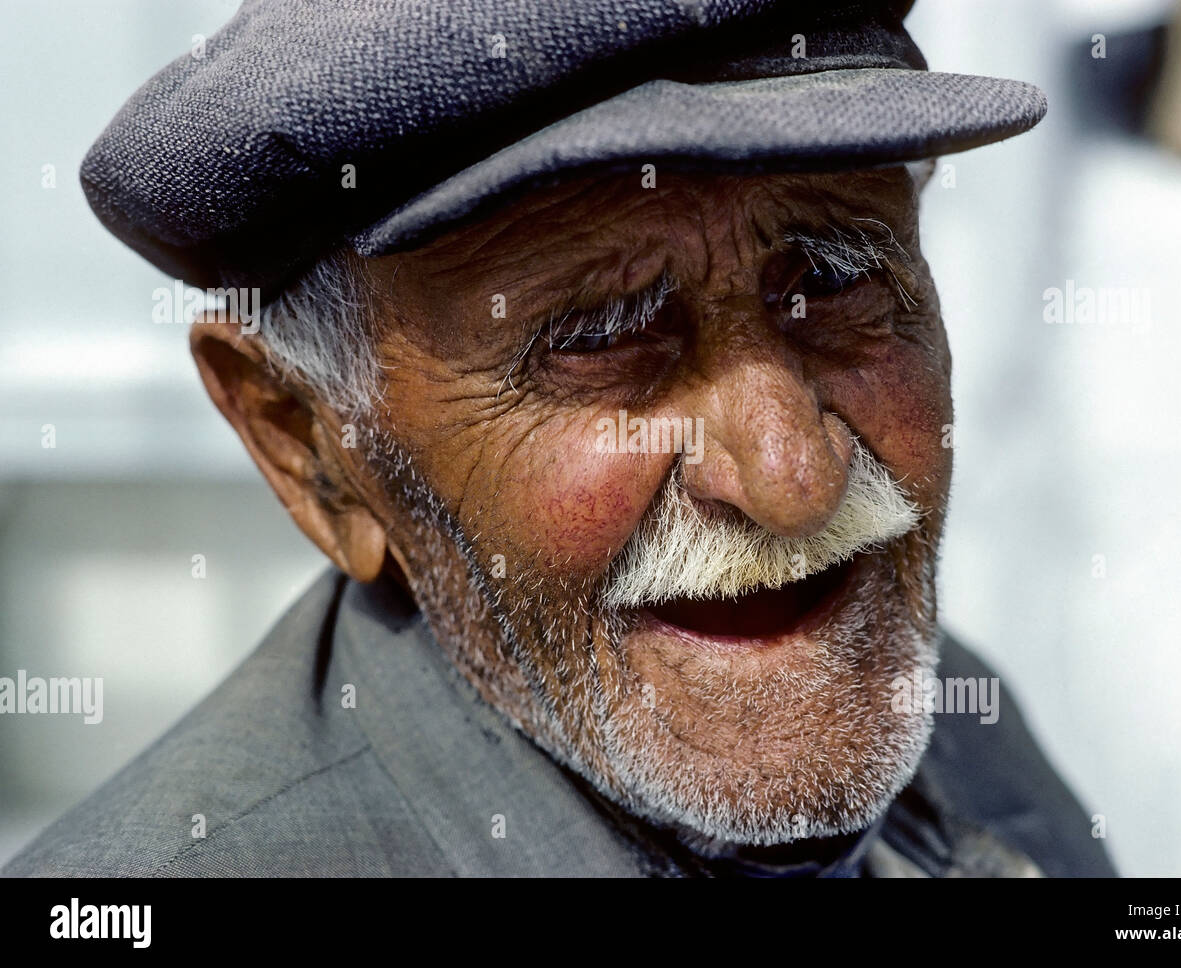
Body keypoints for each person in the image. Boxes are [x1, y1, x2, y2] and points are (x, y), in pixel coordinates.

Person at [4, 0, 1114, 877]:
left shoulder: (930, 708)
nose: (795, 479)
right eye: (602, 334)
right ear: (310, 446)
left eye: (835, 279)